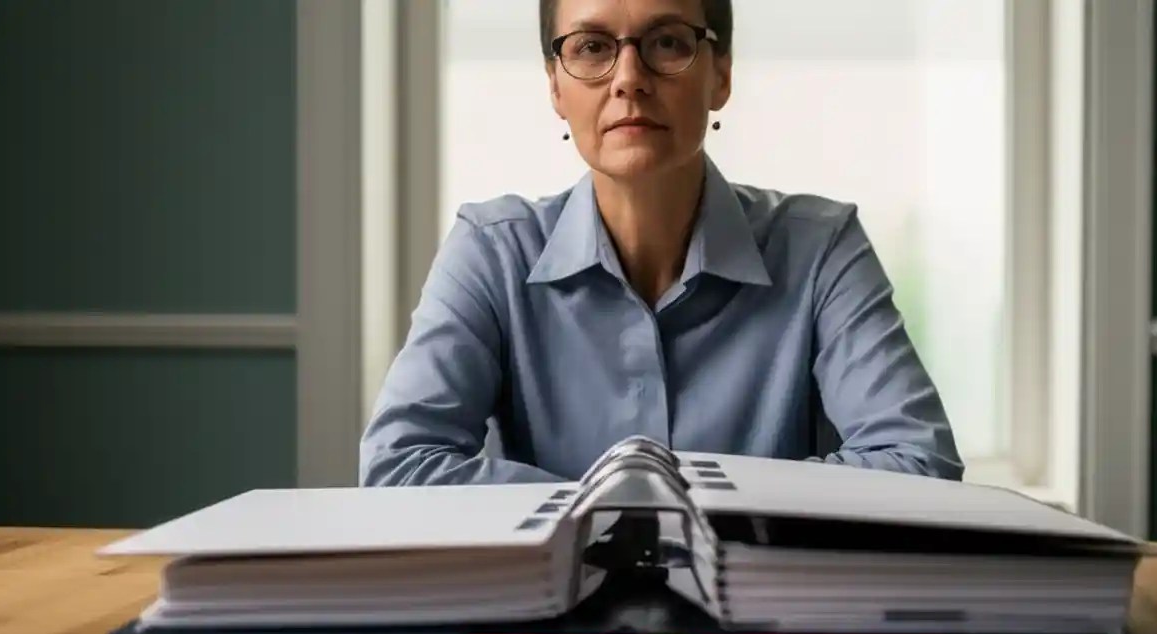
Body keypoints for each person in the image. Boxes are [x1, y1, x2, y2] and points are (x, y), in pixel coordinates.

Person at [360, 0, 963, 487]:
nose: (628, 80)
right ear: (555, 87)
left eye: (668, 42)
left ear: (720, 75)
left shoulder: (821, 249)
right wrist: (637, 512)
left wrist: (644, 507)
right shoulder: (490, 252)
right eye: (592, 47)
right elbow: (399, 465)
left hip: (765, 628)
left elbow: (918, 464)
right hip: (547, 627)